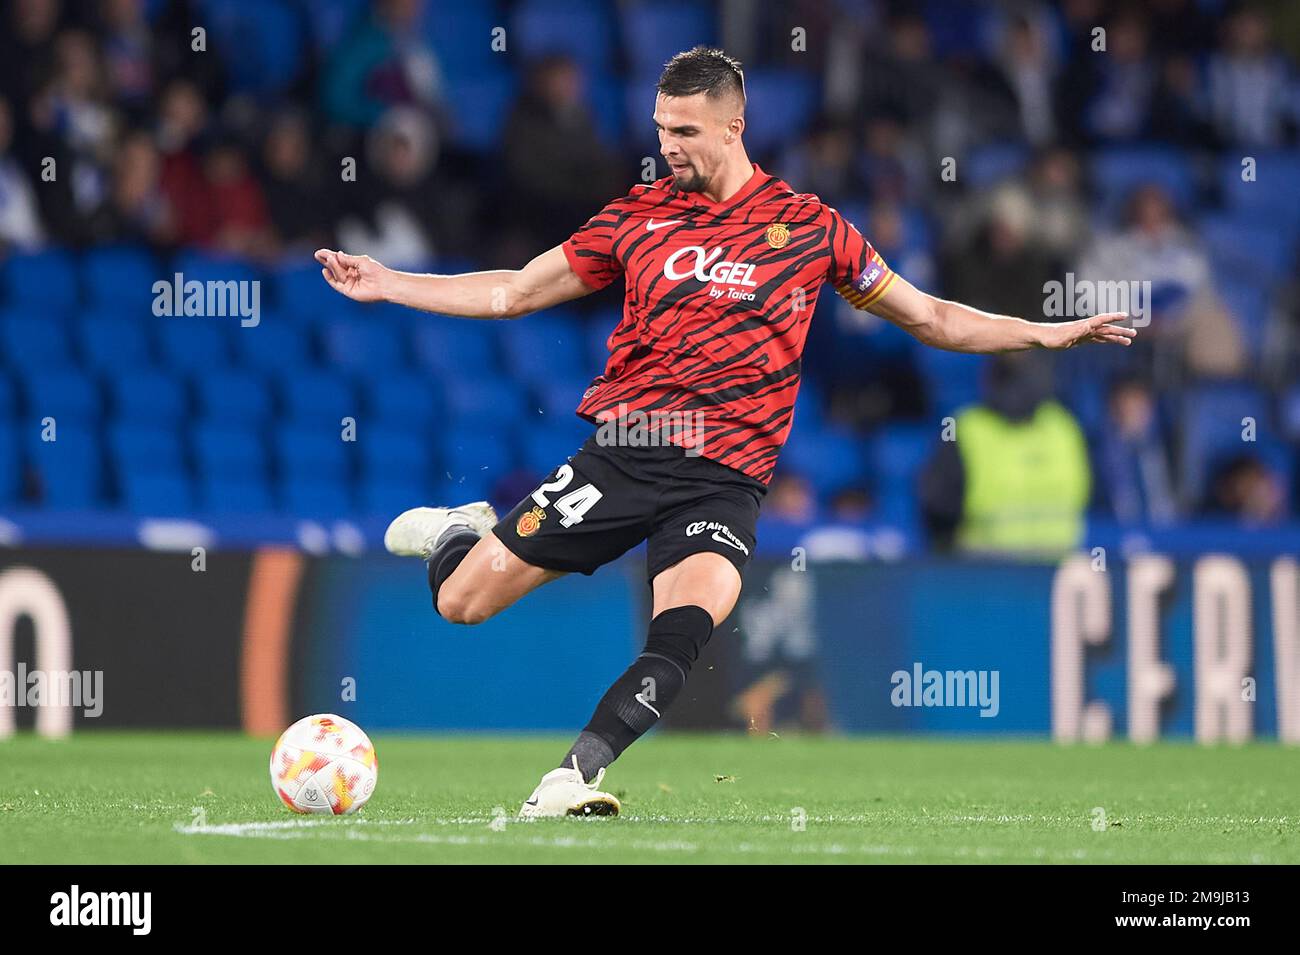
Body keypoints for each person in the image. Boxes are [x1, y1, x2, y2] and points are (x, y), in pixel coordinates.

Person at [314, 47, 1135, 818]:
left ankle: (571, 776)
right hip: (625, 454)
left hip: (725, 479)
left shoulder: (810, 228)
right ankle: (459, 533)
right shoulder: (637, 217)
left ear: (734, 125)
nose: (666, 146)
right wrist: (392, 282)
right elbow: (519, 291)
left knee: (683, 629)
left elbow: (933, 318)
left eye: (684, 130)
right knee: (461, 602)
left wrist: (1043, 332)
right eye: (660, 128)